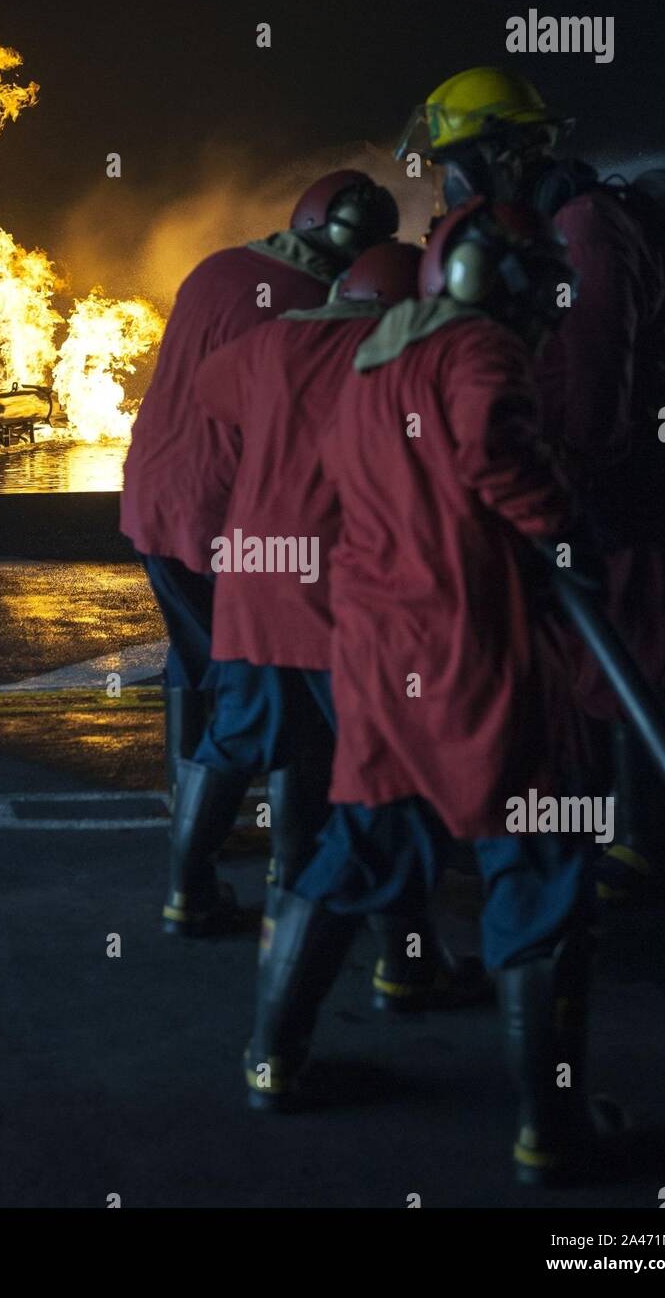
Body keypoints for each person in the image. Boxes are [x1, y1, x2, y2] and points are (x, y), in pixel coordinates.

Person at [246, 198, 615, 1187]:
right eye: (530, 274)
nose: (541, 296)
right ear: (481, 274)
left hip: (378, 649)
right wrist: (561, 527)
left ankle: (271, 1063)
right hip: (471, 648)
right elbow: (493, 451)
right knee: (536, 862)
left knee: (362, 839)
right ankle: (551, 1129)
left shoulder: (373, 359)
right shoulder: (477, 353)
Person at [404, 67, 665, 906]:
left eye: (455, 159)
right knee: (581, 668)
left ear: (508, 148)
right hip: (589, 478)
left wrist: (550, 481)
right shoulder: (547, 222)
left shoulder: (584, 228)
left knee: (626, 669)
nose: (448, 180)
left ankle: (645, 854)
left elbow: (594, 396)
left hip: (630, 481)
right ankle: (588, 836)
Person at [194, 240, 480, 1003]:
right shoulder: (403, 358)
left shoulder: (273, 338)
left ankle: (190, 891)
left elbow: (211, 393)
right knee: (384, 780)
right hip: (337, 601)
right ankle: (405, 963)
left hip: (254, 585)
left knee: (248, 739)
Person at [120, 170, 400, 932]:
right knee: (268, 697)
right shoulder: (317, 314)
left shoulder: (217, 267)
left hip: (154, 495)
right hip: (226, 519)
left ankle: (194, 837)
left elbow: (209, 389)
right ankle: (283, 862)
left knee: (197, 666)